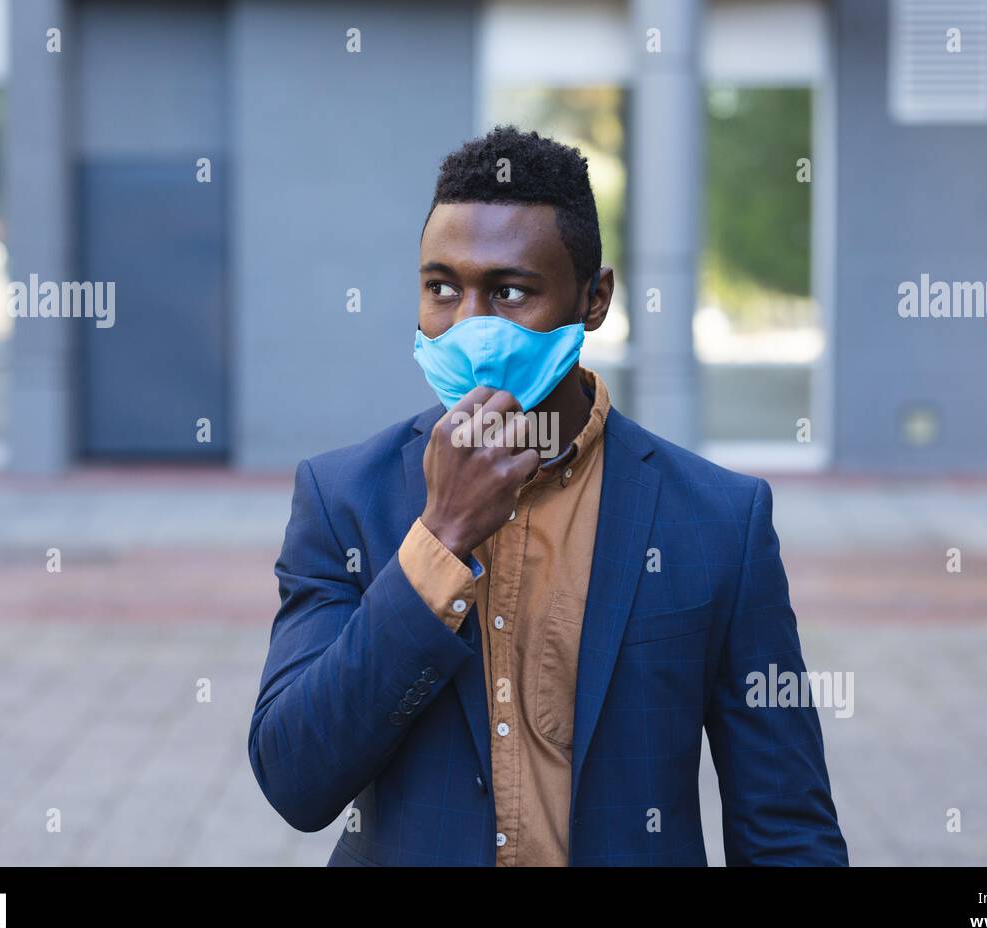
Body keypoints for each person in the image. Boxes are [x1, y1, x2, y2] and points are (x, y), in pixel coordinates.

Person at [249, 124, 848, 866]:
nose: (466, 326)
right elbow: (295, 778)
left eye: (508, 292)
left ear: (593, 301)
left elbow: (786, 824)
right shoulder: (344, 499)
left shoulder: (719, 521)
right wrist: (438, 542)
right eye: (441, 288)